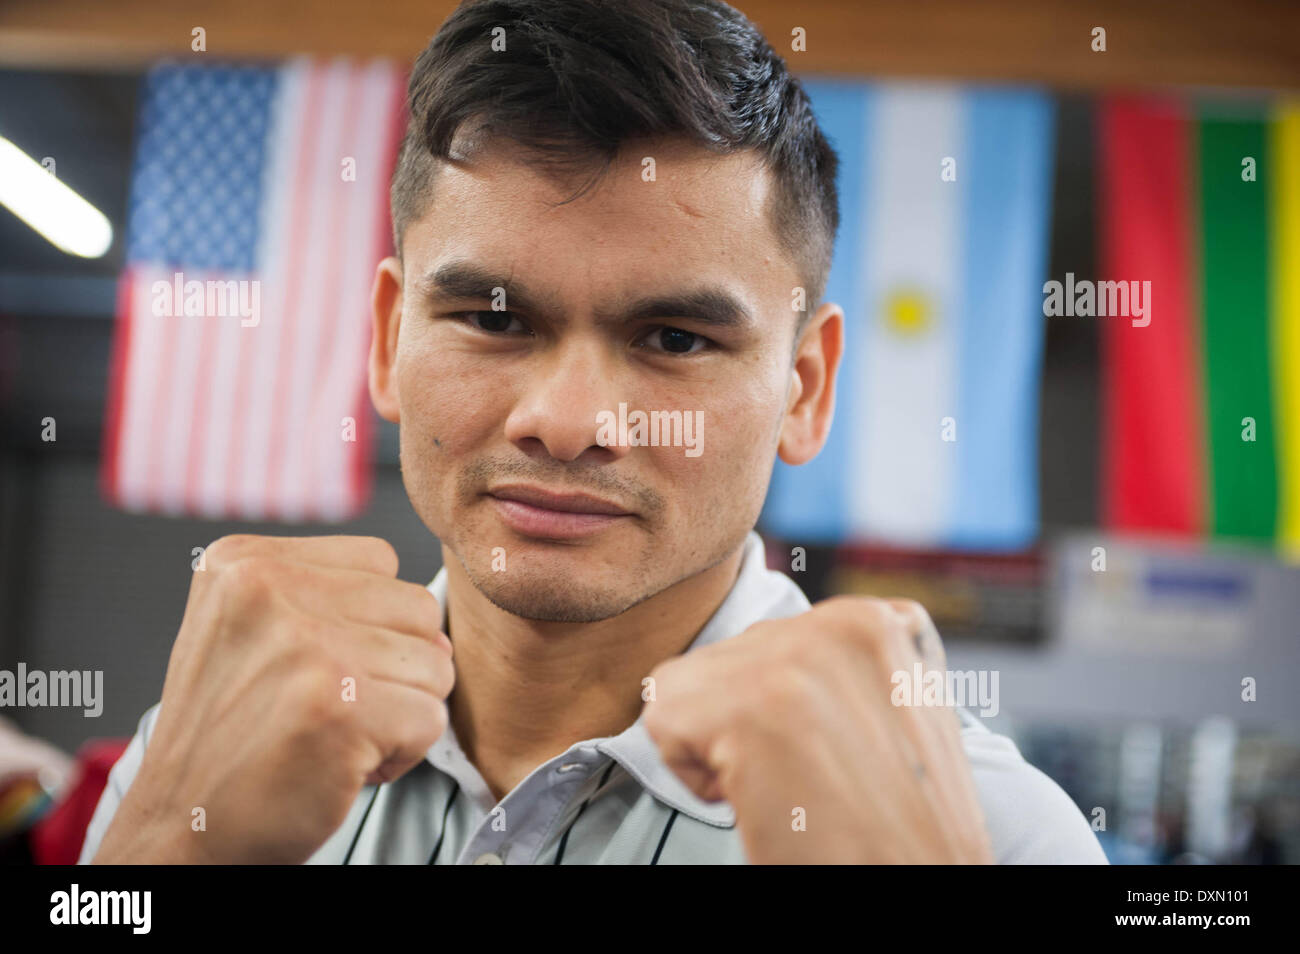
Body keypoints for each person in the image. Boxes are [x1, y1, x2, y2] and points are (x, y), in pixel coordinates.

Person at [80, 0, 1105, 865]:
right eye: (491, 319)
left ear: (804, 386)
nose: (567, 423)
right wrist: (164, 842)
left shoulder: (1004, 838)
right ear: (391, 339)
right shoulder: (206, 750)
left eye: (673, 337)